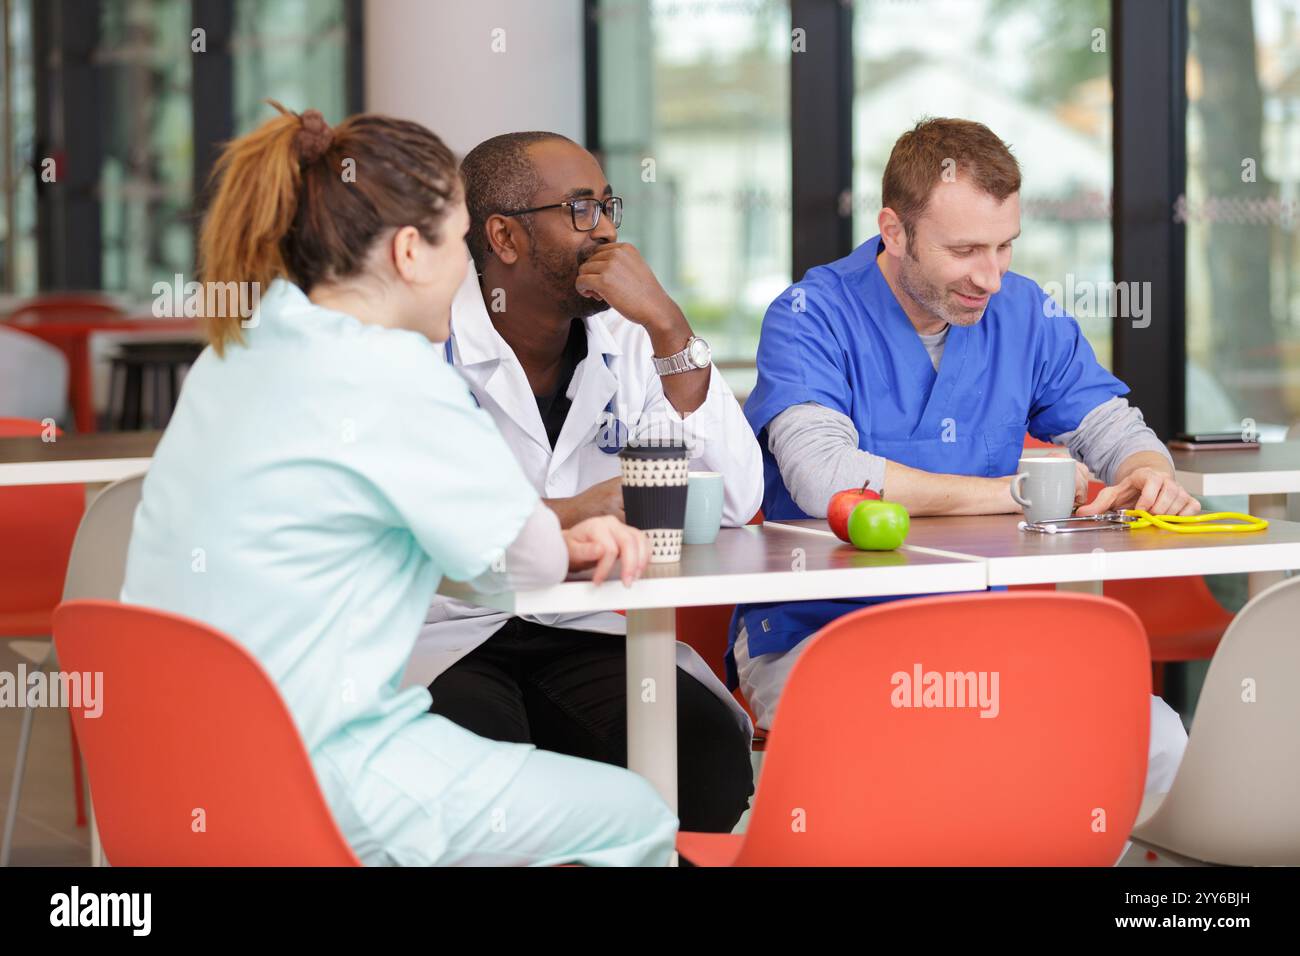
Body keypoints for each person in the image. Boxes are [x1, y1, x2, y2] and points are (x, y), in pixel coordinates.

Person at [120, 104, 677, 866]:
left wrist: (546, 536)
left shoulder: (239, 351)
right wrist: (559, 541)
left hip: (167, 772)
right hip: (320, 774)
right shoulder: (392, 372)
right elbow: (528, 564)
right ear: (411, 251)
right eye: (460, 242)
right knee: (632, 811)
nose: (469, 269)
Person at [735, 117, 1196, 796]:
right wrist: (1012, 492)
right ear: (894, 232)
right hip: (821, 634)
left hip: (978, 628)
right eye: (966, 250)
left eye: (1006, 246)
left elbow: (1110, 424)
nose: (993, 277)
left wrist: (1147, 472)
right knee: (939, 765)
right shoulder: (811, 315)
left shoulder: (1025, 314)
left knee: (1151, 737)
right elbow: (824, 476)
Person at [404, 131, 763, 833]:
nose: (604, 231)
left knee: (701, 747)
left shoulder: (634, 339)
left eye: (607, 207)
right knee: (476, 767)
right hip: (446, 630)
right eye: (578, 210)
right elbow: (418, 530)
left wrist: (666, 323)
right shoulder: (425, 341)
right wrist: (572, 513)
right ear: (504, 237)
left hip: (581, 626)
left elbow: (738, 497)